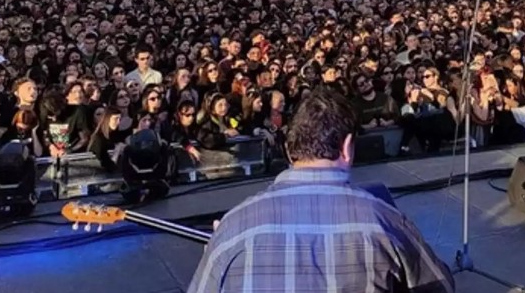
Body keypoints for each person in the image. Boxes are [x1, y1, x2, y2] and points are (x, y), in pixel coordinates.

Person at [186, 86, 453, 293]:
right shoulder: (384, 221)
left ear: (289, 150)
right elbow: (441, 286)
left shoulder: (232, 227)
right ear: (348, 147)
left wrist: (218, 249)